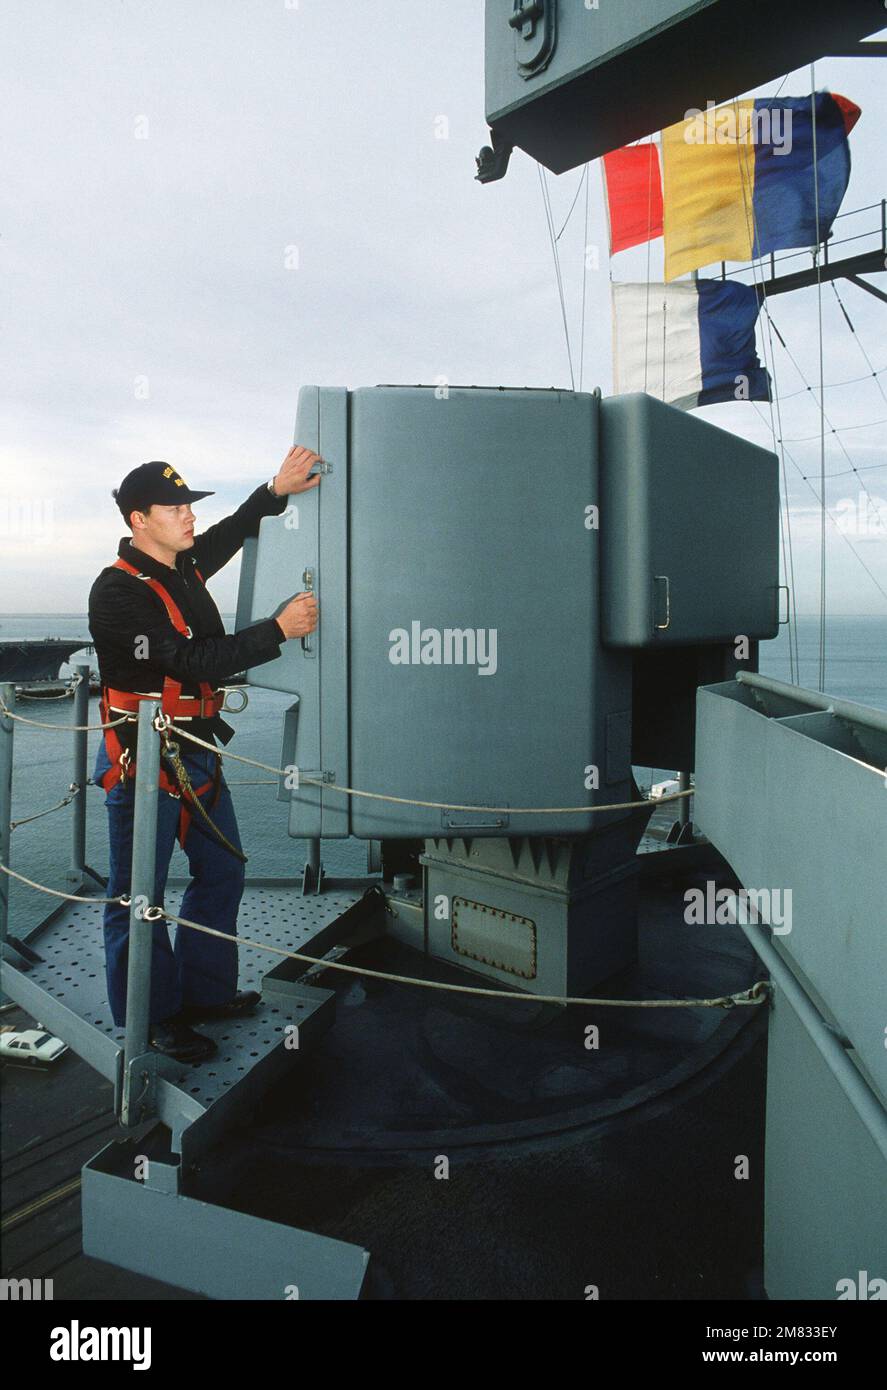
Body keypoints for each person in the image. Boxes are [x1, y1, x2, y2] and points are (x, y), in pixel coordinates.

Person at [88, 447, 320, 1063]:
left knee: (222, 873)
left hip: (193, 749)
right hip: (143, 758)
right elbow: (186, 662)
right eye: (175, 507)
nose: (188, 516)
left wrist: (276, 489)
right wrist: (278, 630)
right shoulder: (116, 592)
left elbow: (233, 531)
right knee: (138, 894)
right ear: (139, 519)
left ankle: (205, 993)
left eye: (189, 505)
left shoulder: (182, 567)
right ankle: (154, 1017)